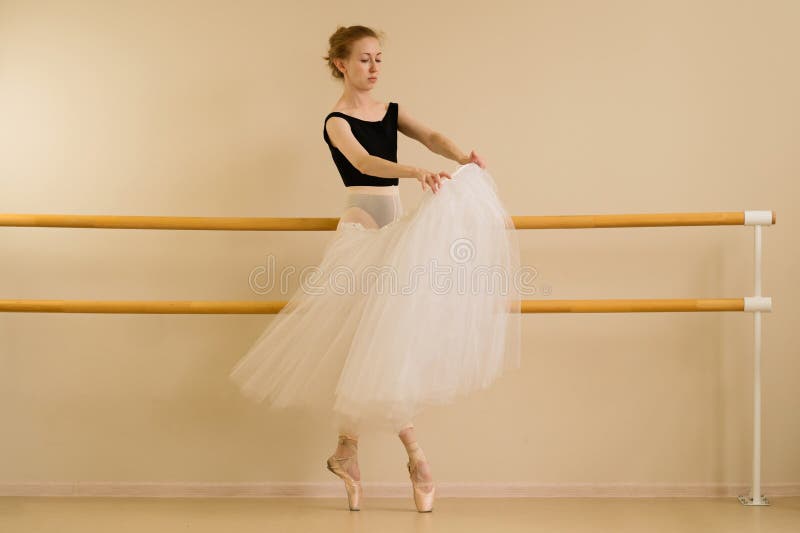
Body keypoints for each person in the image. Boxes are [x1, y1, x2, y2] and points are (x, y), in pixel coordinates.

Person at [229, 25, 522, 513]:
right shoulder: (336, 121)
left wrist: (460, 156)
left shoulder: (391, 111)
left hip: (396, 227)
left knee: (380, 342)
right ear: (341, 64)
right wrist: (416, 171)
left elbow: (428, 134)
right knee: (371, 341)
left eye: (379, 59)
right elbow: (364, 160)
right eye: (364, 59)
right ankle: (415, 456)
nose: (374, 67)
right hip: (362, 226)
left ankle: (348, 451)